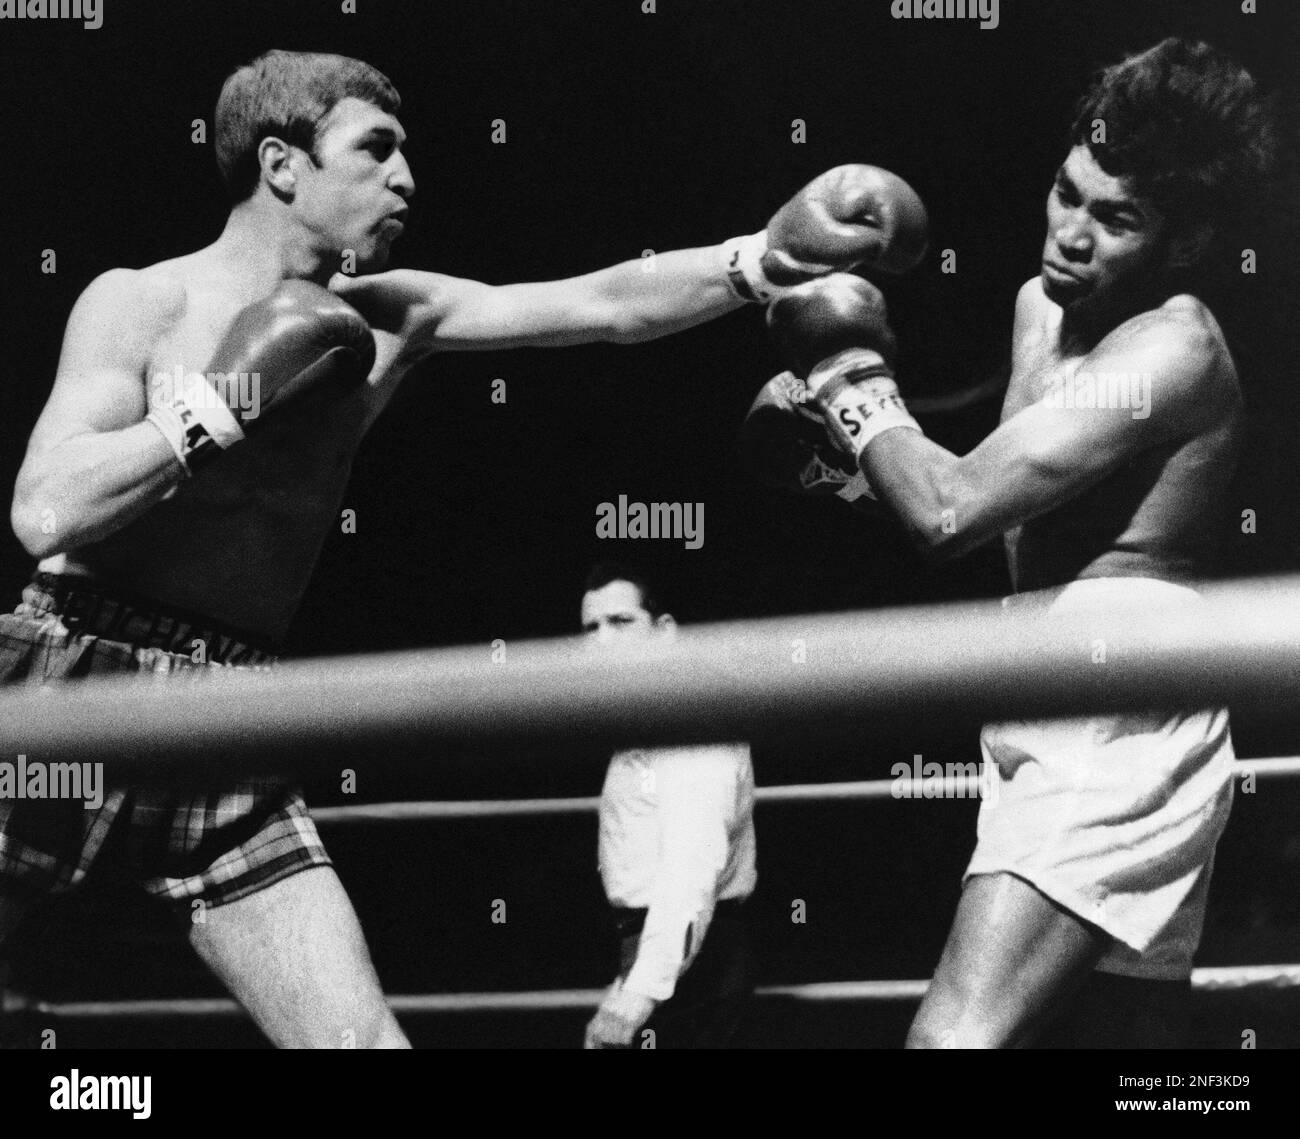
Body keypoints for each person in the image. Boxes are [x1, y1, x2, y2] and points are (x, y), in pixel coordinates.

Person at [1, 48, 923, 1048]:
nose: (406, 179)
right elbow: (46, 511)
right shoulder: (144, 302)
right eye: (376, 149)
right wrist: (223, 406)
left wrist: (764, 261)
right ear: (281, 165)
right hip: (76, 681)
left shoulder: (390, 315)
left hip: (233, 708)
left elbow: (599, 305)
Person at [742, 37, 1279, 1047]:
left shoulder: (1174, 346)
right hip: (1041, 669)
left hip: (1120, 680)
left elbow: (945, 512)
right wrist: (833, 458)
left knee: (954, 1035)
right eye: (1067, 193)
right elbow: (977, 502)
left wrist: (847, 371)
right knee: (1129, 1043)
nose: (1072, 234)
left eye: (1115, 219)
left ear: (1187, 240)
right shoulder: (1040, 307)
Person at [579, 563, 757, 1049]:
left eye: (620, 622)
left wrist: (638, 993)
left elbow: (691, 868)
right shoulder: (650, 720)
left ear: (664, 632)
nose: (602, 640)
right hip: (670, 946)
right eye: (590, 628)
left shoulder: (691, 722)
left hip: (692, 952)